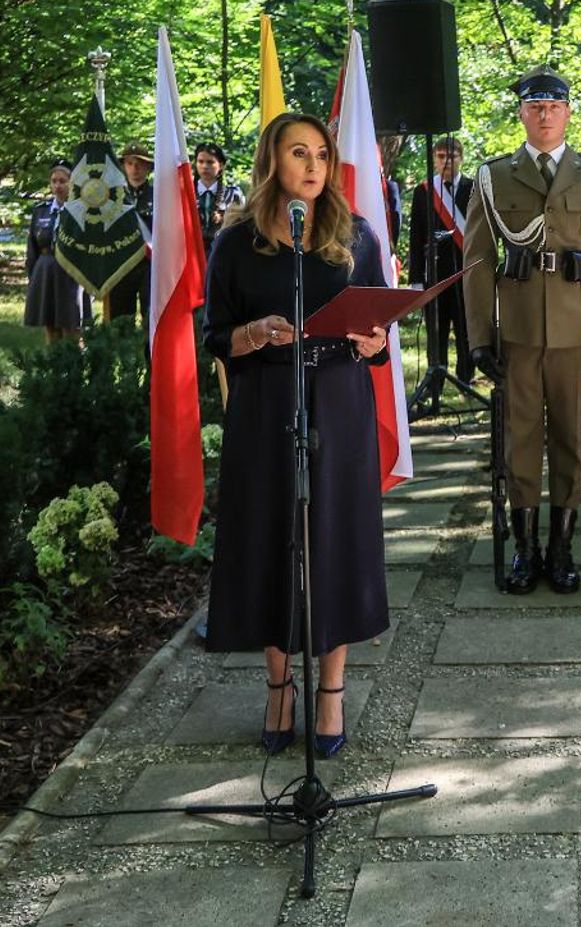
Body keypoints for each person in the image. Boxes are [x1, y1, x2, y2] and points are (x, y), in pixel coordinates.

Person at [202, 112, 391, 757]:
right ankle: (279, 686)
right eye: (297, 153)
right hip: (266, 399)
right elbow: (215, 336)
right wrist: (254, 334)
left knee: (332, 536)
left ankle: (331, 691)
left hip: (339, 400)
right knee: (273, 535)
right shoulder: (235, 242)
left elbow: (380, 328)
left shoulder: (357, 235)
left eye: (320, 153)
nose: (312, 166)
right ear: (273, 163)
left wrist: (373, 344)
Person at [464, 66, 581, 594]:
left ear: (568, 112)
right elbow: (477, 265)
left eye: (554, 106)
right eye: (535, 106)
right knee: (520, 441)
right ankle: (525, 548)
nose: (545, 114)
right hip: (518, 330)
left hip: (577, 333)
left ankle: (561, 546)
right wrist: (479, 339)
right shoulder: (494, 177)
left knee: (571, 440)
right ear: (522, 113)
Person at [407, 136, 473, 398]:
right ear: (434, 159)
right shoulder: (424, 191)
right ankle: (435, 382)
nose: (447, 162)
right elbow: (416, 237)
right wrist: (416, 278)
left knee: (466, 328)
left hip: (465, 272)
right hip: (435, 274)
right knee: (437, 330)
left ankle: (466, 380)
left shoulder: (473, 187)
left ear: (461, 158)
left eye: (452, 156)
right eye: (442, 156)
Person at [24, 164, 91, 343]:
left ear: (72, 183)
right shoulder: (41, 211)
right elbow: (32, 247)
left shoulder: (81, 211)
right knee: (50, 325)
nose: (58, 186)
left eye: (63, 181)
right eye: (54, 181)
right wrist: (32, 276)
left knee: (72, 326)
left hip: (71, 274)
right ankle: (53, 366)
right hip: (45, 270)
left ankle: (74, 367)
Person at [105, 141, 152, 329]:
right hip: (122, 263)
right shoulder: (112, 196)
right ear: (123, 166)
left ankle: (149, 357)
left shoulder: (159, 195)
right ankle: (123, 357)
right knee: (120, 318)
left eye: (140, 163)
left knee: (151, 315)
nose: (135, 168)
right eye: (130, 163)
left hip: (150, 265)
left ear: (148, 167)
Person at [194, 141, 245, 255]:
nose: (205, 166)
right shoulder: (185, 194)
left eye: (210, 162)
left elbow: (243, 227)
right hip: (192, 254)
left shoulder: (233, 195)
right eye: (200, 162)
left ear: (221, 165)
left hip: (223, 252)